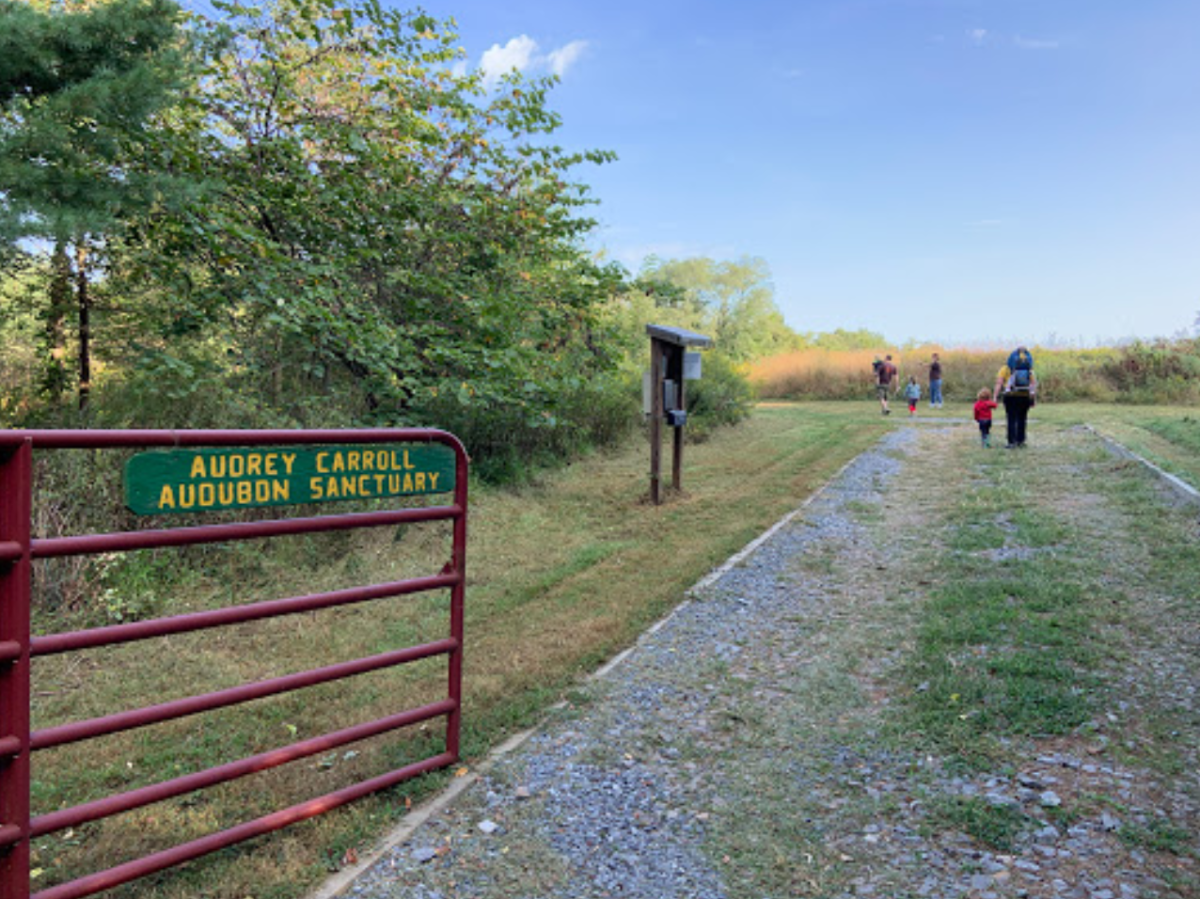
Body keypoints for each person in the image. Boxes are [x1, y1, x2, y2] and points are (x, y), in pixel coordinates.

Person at [993, 347, 1037, 448]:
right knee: (1022, 418)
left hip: (1010, 396)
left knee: (1011, 419)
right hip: (1025, 396)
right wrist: (1033, 399)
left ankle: (1011, 442)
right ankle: (1021, 441)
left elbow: (999, 383)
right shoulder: (1028, 369)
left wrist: (995, 396)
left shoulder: (1005, 368)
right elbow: (1033, 384)